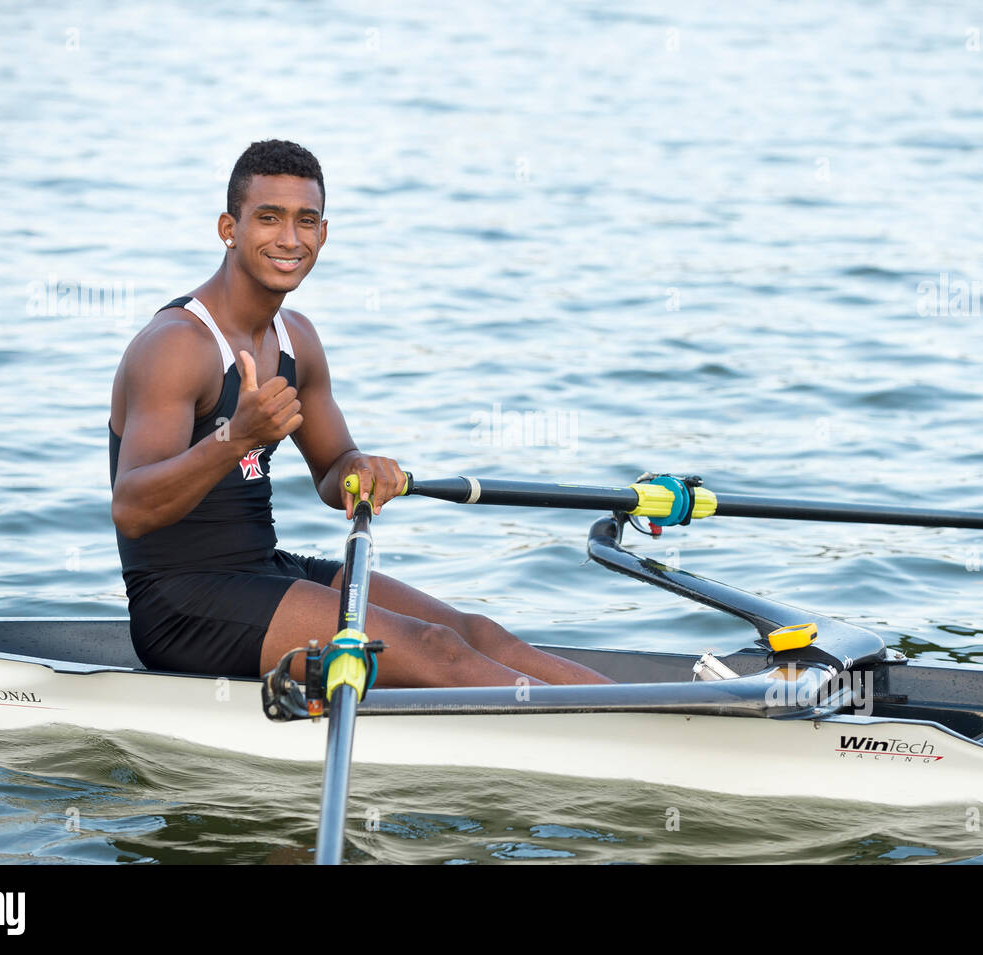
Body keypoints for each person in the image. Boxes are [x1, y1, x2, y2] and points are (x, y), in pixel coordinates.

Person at [108, 139, 612, 688]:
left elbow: (332, 473)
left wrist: (360, 470)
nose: (289, 239)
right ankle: (615, 740)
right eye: (268, 219)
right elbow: (133, 508)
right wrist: (235, 438)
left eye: (306, 221)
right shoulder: (177, 345)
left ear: (323, 234)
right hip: (181, 602)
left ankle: (653, 714)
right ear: (229, 228)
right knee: (435, 650)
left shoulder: (296, 337)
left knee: (479, 633)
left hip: (264, 569)